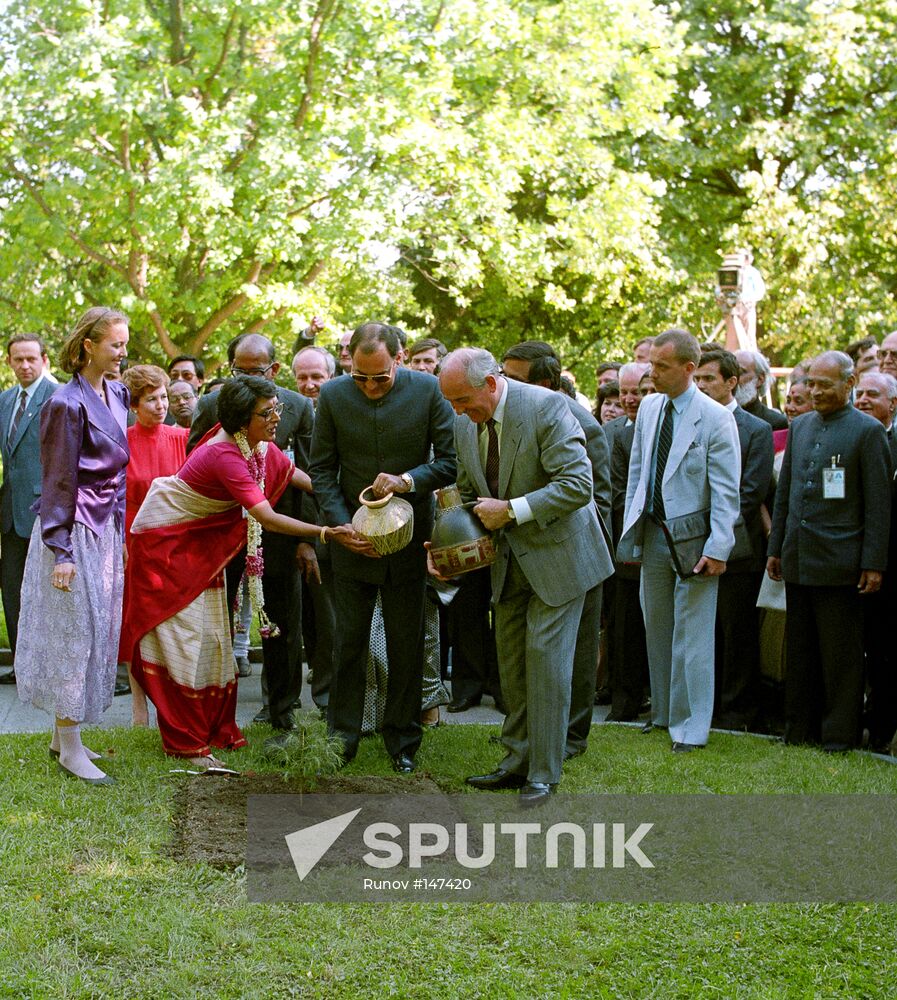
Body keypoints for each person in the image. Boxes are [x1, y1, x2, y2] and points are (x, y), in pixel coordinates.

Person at [121, 377, 349, 767]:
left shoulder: (254, 443)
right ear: (243, 420)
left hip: (199, 548)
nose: (278, 417)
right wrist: (327, 531)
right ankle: (185, 741)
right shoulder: (225, 455)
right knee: (184, 645)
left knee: (213, 639)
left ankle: (209, 727)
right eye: (268, 412)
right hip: (168, 549)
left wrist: (342, 503)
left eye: (277, 407)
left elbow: (293, 473)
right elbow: (266, 517)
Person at [438, 348, 612, 806]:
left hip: (562, 558)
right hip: (508, 562)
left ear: (491, 384)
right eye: (452, 403)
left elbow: (577, 485)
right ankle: (515, 761)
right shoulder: (462, 421)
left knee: (546, 660)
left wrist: (512, 510)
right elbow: (469, 490)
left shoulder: (548, 408)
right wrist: (446, 542)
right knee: (512, 664)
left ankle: (544, 772)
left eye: (463, 400)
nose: (458, 411)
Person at [309, 322, 456, 773]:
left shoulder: (430, 390)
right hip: (351, 545)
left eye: (381, 378)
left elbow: (449, 462)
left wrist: (408, 480)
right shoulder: (333, 395)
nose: (370, 388)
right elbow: (321, 471)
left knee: (406, 644)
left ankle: (403, 740)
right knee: (347, 642)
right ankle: (343, 737)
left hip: (409, 542)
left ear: (401, 357)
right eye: (360, 378)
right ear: (348, 360)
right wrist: (340, 526)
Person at [15, 307, 131, 785]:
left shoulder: (119, 392)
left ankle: (63, 738)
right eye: (115, 345)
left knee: (96, 633)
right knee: (73, 637)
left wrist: (120, 532)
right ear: (89, 345)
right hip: (71, 529)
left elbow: (121, 472)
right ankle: (71, 748)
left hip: (104, 530)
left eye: (125, 344)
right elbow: (58, 480)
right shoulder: (65, 402)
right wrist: (61, 552)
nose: (123, 352)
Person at [619, 329, 741, 752]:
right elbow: (640, 469)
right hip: (653, 531)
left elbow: (727, 491)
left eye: (661, 367)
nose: (651, 375)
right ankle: (664, 714)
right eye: (651, 364)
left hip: (694, 540)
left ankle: (692, 728)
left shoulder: (716, 417)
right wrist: (633, 530)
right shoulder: (651, 407)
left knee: (693, 634)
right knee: (657, 624)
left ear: (689, 369)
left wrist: (718, 548)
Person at [188, 334, 316, 730]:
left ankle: (281, 710)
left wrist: (307, 540)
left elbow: (308, 474)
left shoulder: (296, 407)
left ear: (274, 371)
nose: (243, 380)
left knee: (283, 625)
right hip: (220, 535)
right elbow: (191, 472)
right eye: (237, 372)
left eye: (254, 372)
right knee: (214, 624)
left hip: (279, 536)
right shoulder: (213, 405)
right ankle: (209, 711)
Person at [767, 351, 891, 751]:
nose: (815, 392)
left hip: (841, 562)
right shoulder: (800, 427)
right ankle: (798, 730)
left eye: (824, 384)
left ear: (849, 384)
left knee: (841, 658)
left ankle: (839, 736)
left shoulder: (867, 432)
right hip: (799, 557)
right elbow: (784, 495)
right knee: (800, 653)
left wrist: (873, 562)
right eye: (811, 384)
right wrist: (777, 548)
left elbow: (877, 504)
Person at [694, 349, 774, 730]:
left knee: (737, 632)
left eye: (708, 379)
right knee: (702, 632)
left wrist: (713, 535)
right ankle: (704, 707)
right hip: (689, 546)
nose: (701, 386)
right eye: (697, 379)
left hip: (737, 550)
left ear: (732, 382)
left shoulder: (756, 430)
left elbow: (750, 493)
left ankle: (737, 711)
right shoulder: (688, 422)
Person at [120, 364, 188, 725]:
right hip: (136, 540)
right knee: (137, 622)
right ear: (134, 405)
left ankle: (172, 699)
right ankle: (138, 706)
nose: (161, 405)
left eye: (164, 397)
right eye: (152, 400)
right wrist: (120, 540)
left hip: (174, 541)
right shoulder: (121, 440)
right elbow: (113, 496)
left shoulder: (182, 438)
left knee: (171, 622)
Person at [0, 334, 58, 685]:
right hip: (9, 514)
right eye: (17, 359)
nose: (24, 365)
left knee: (48, 593)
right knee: (12, 590)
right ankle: (22, 668)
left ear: (44, 360)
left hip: (45, 511)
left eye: (30, 359)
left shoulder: (59, 398)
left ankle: (48, 668)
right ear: (8, 362)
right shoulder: (4, 400)